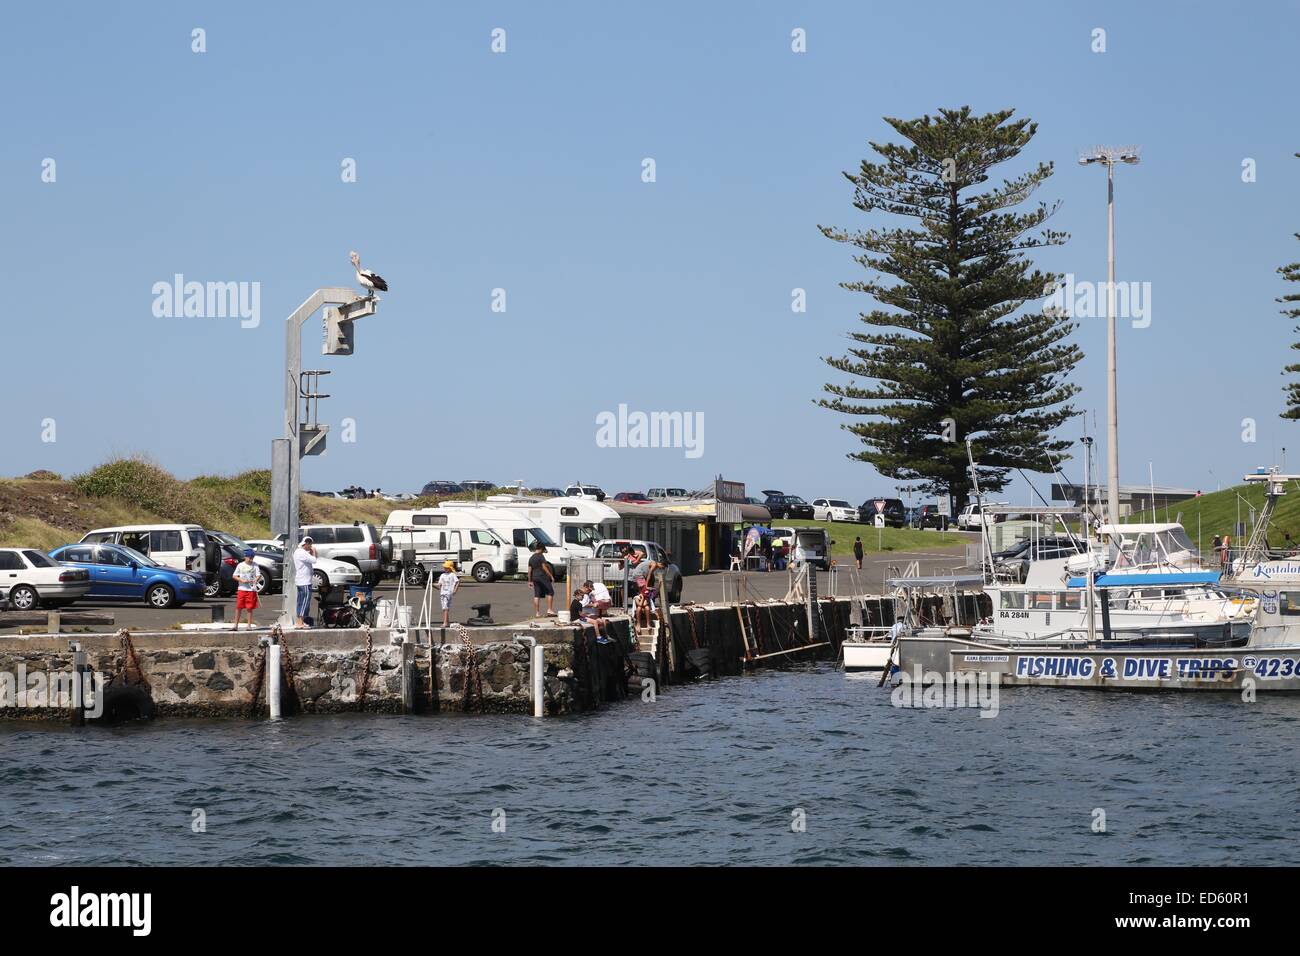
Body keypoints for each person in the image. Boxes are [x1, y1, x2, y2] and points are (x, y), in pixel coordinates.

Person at [292, 537, 317, 628]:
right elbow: (314, 560)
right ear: (305, 544)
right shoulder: (301, 552)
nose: (311, 546)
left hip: (301, 581)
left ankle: (299, 621)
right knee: (304, 602)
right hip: (304, 582)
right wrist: (313, 552)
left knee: (300, 602)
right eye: (310, 544)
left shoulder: (298, 552)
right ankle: (300, 622)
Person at [232, 549, 259, 630]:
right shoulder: (240, 565)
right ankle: (235, 625)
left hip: (251, 589)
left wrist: (255, 580)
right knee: (239, 607)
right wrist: (241, 580)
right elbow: (234, 576)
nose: (251, 559)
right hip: (242, 588)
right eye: (249, 558)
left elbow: (258, 575)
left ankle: (249, 625)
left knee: (249, 607)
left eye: (252, 558)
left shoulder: (255, 565)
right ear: (245, 557)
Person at [529, 542, 556, 617]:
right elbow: (544, 567)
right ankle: (550, 610)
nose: (543, 551)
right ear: (541, 549)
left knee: (537, 595)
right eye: (543, 550)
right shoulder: (540, 556)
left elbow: (529, 570)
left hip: (535, 577)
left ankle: (537, 613)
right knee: (550, 592)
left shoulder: (531, 558)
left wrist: (530, 581)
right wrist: (551, 576)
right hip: (542, 576)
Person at [438, 559, 459, 626]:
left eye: (447, 567)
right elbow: (439, 585)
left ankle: (445, 622)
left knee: (445, 607)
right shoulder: (442, 575)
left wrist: (455, 590)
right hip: (442, 593)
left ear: (450, 568)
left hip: (448, 593)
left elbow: (457, 582)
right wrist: (432, 585)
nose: (445, 568)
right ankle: (447, 621)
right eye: (445, 567)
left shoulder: (452, 575)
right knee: (444, 608)